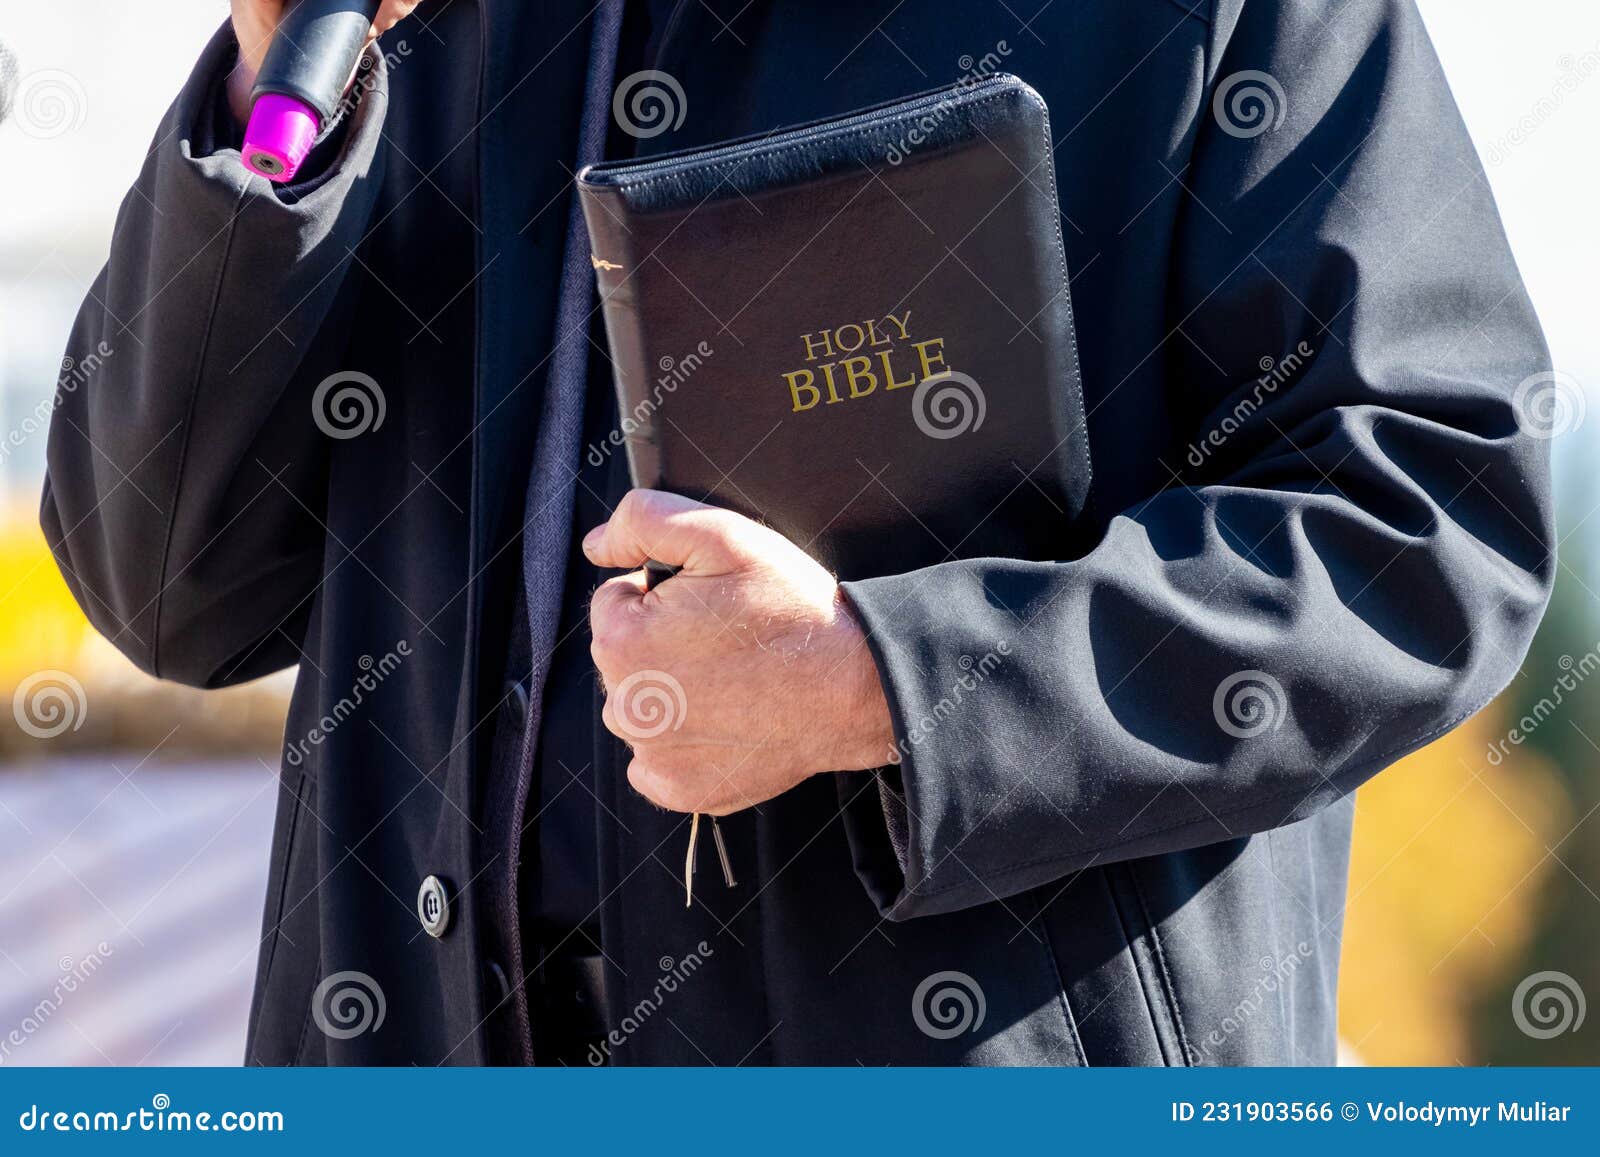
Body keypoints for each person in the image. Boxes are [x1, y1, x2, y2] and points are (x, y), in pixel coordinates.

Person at [43, 0, 1553, 1065]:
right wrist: (269, 102)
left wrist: (891, 683)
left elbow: (1423, 518)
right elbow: (167, 588)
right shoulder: (411, 36)